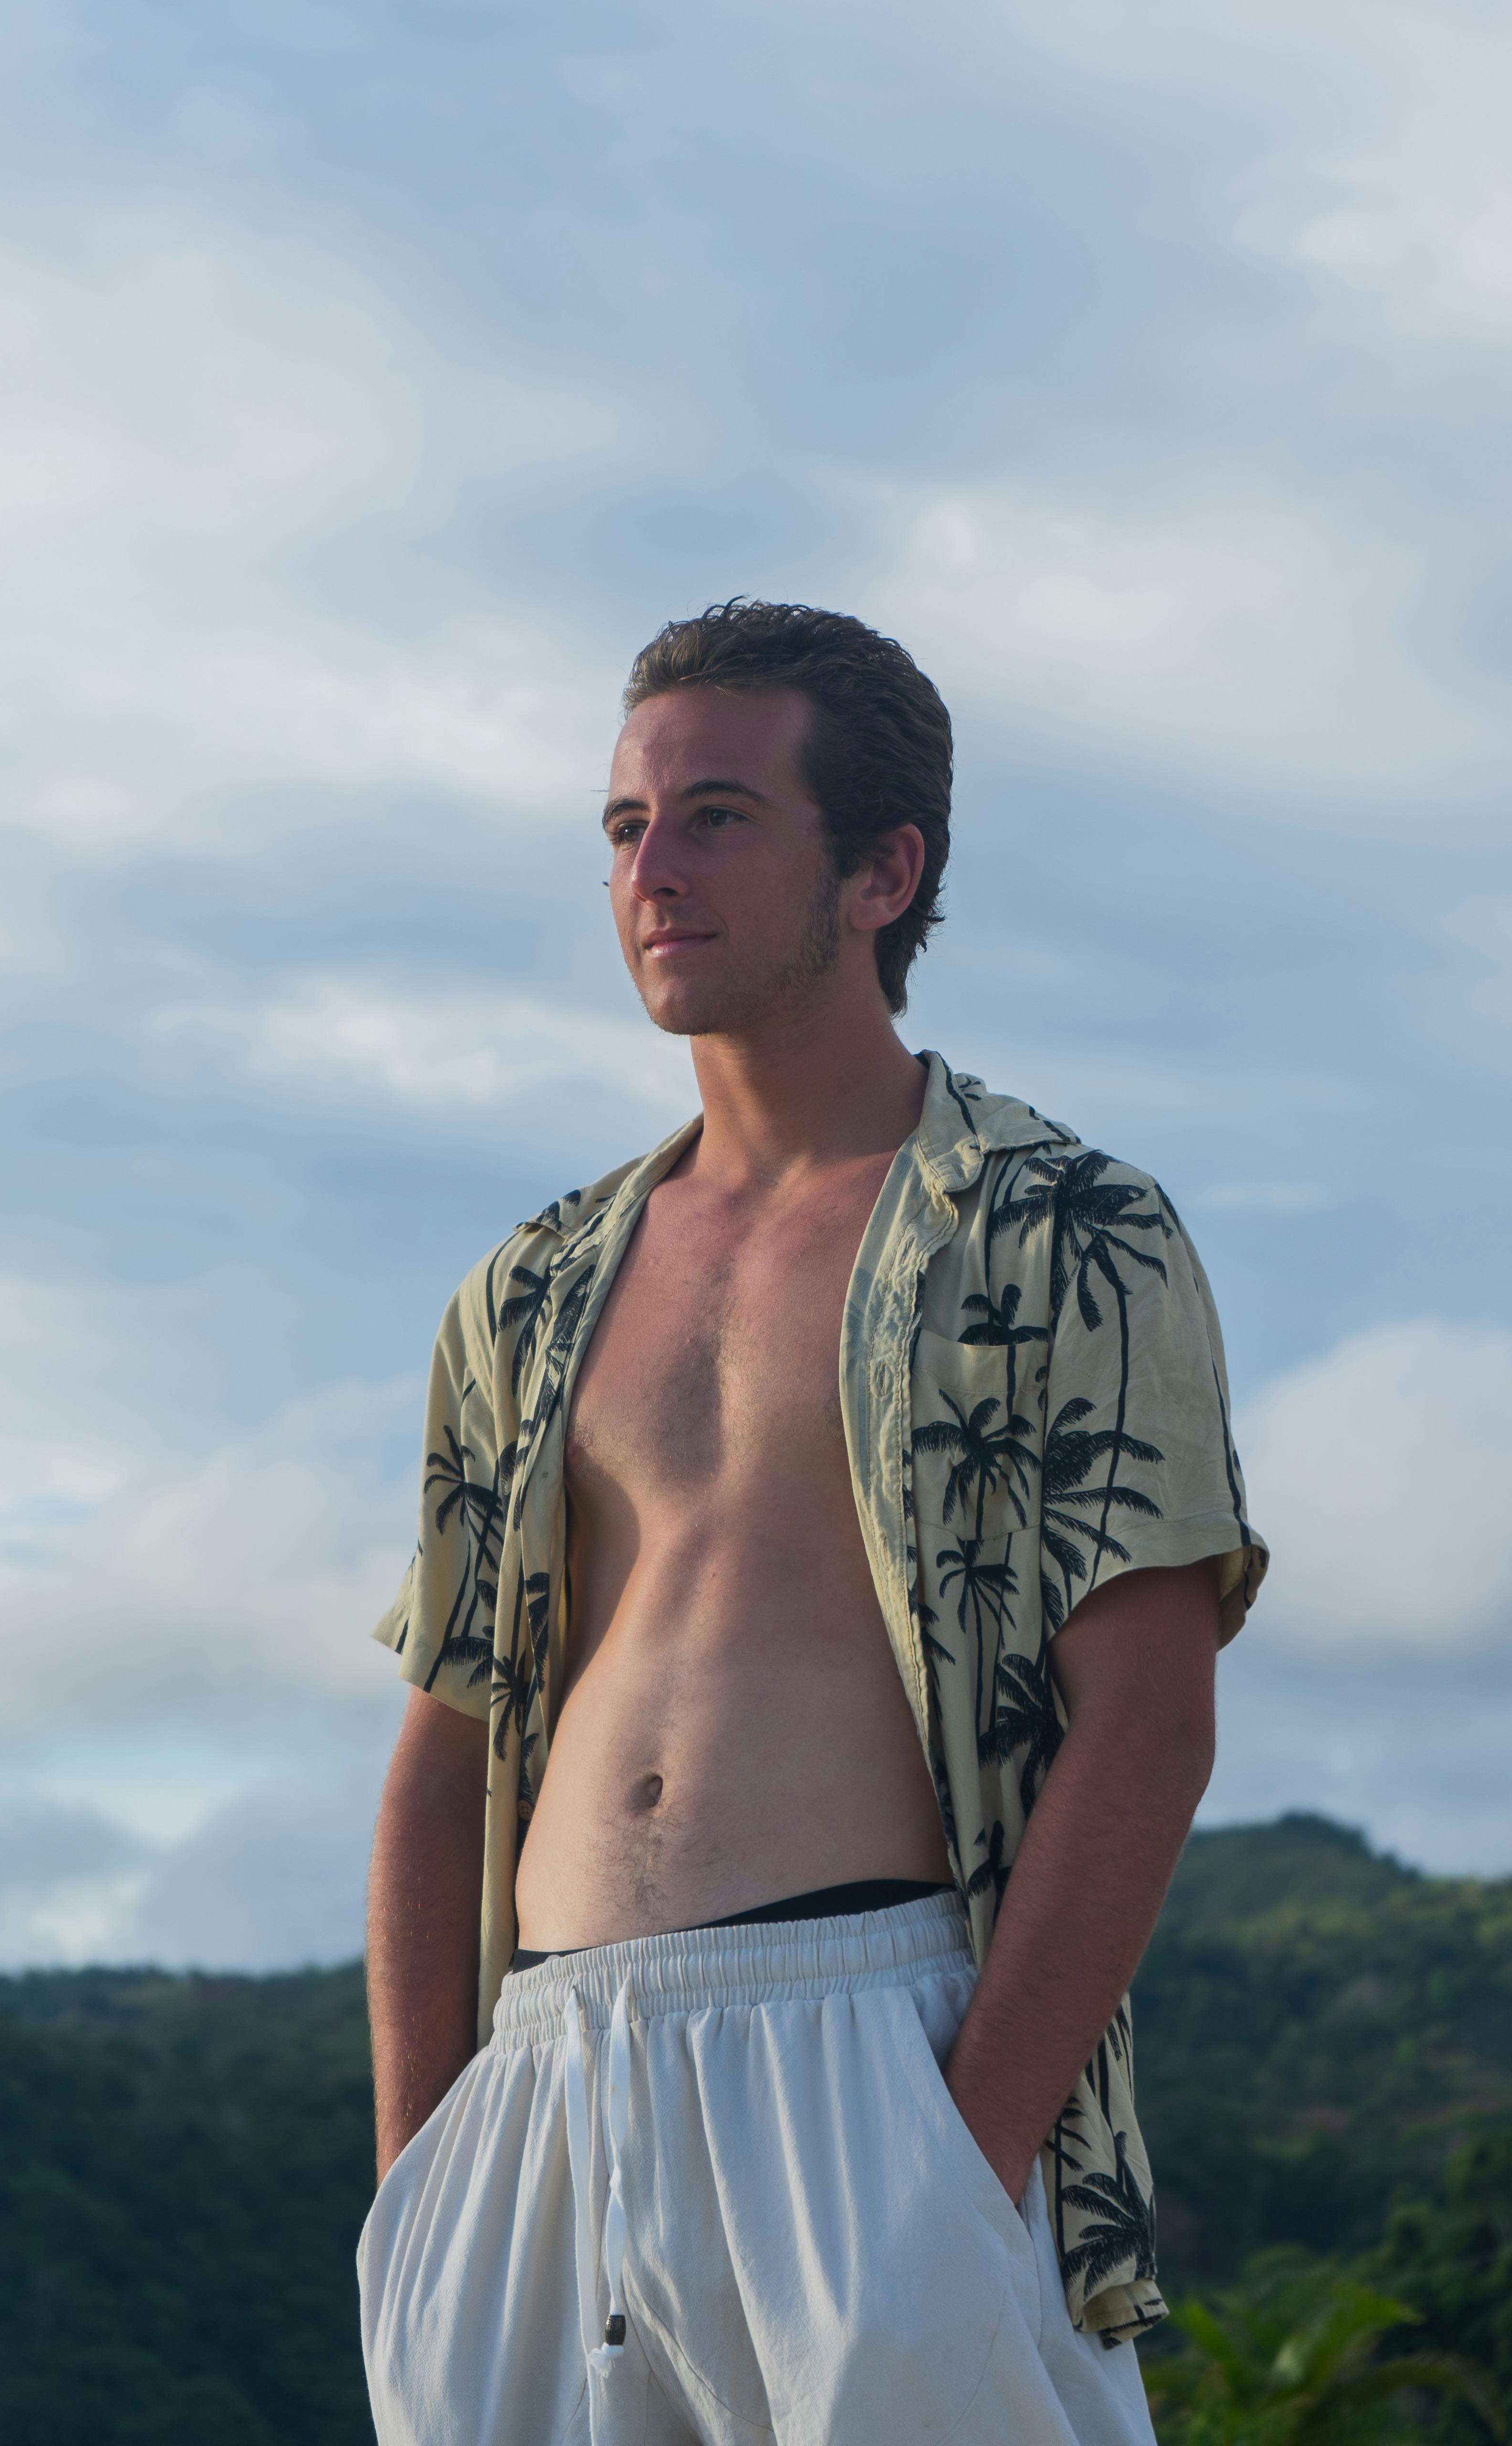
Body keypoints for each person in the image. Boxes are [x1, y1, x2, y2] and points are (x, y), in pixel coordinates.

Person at [358, 600, 1267, 2446]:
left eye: (714, 816)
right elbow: (441, 1746)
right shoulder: (525, 1287)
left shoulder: (1057, 1229)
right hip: (540, 2093)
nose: (652, 871)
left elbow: (1147, 1715)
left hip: (877, 2068)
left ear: (882, 869)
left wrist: (955, 2164)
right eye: (624, 827)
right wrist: (415, 2189)